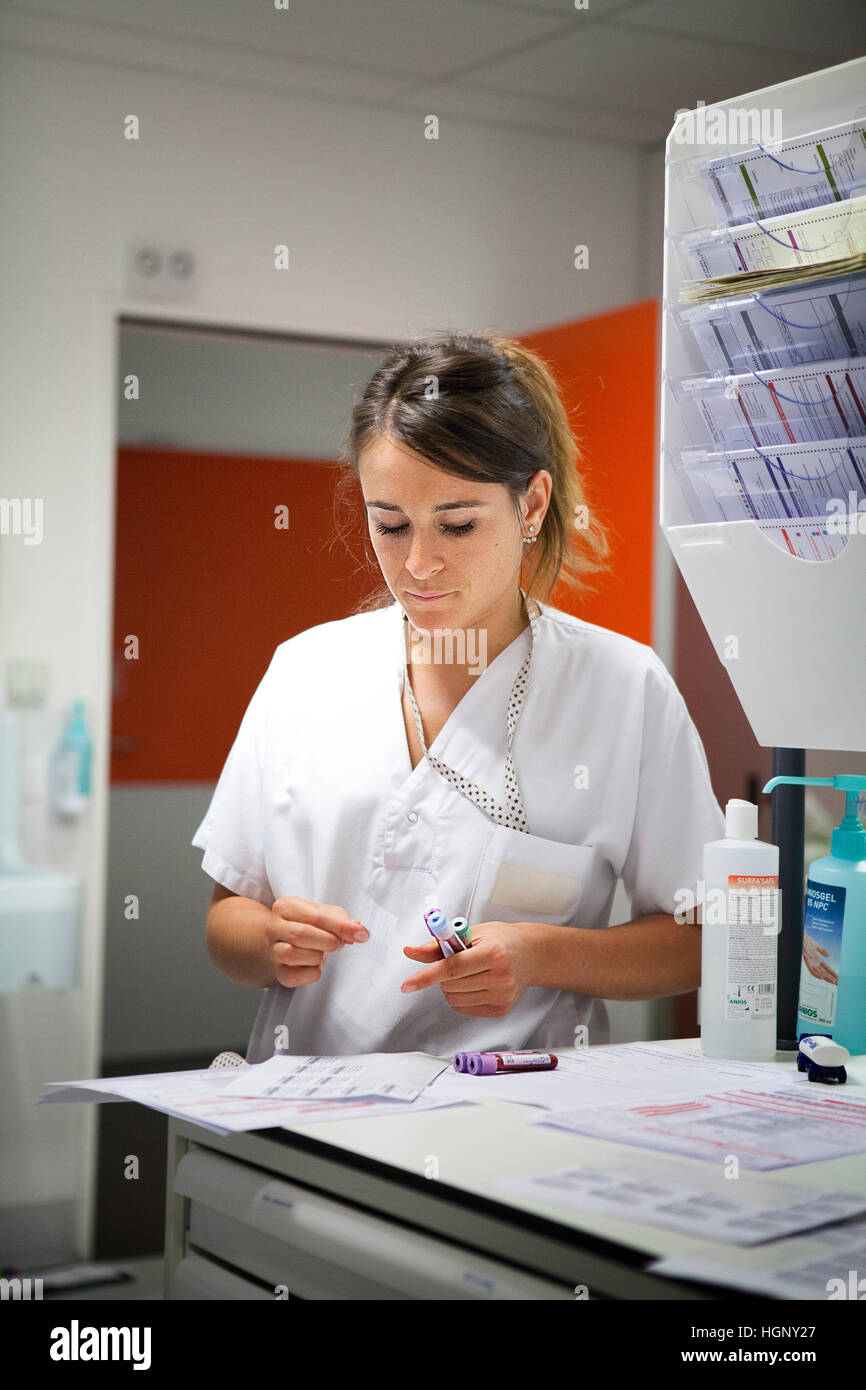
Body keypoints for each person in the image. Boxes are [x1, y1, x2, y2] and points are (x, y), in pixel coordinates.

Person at [193, 331, 724, 1062]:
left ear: (531, 504)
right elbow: (227, 920)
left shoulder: (623, 689)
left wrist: (541, 955)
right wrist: (269, 941)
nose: (417, 564)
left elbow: (700, 939)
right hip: (308, 1112)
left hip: (519, 1119)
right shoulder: (305, 671)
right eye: (390, 524)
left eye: (458, 523)